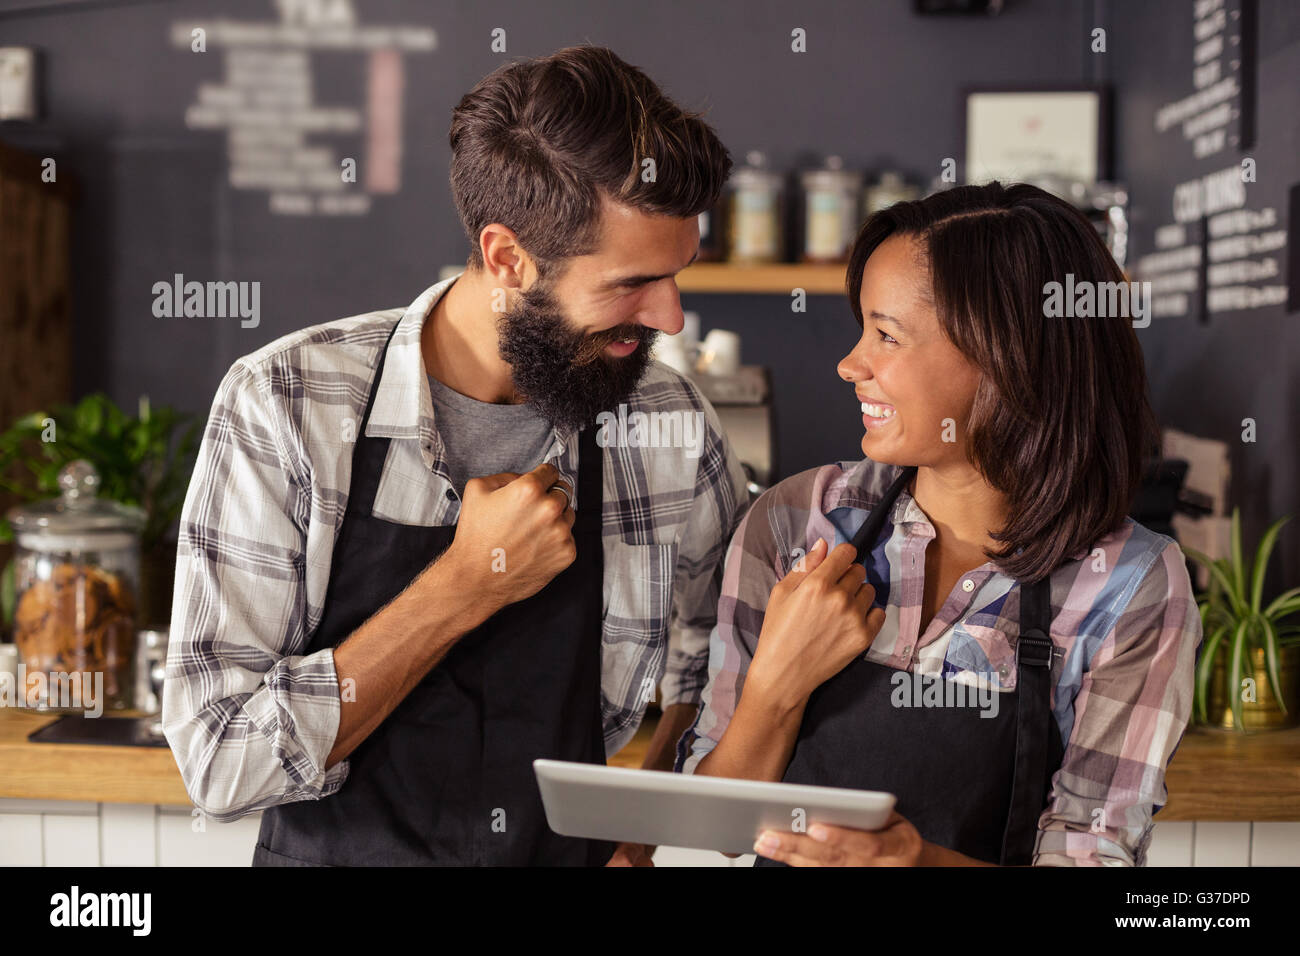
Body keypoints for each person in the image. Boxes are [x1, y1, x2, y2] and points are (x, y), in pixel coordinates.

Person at [163, 45, 749, 866]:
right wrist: (466, 584)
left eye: (679, 274)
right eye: (631, 283)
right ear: (508, 257)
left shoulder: (665, 421)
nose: (673, 317)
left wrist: (641, 831)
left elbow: (722, 651)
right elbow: (220, 764)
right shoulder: (287, 404)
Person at [676, 182, 1202, 867]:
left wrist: (911, 864)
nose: (849, 364)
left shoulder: (1129, 586)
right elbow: (708, 831)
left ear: (1008, 357)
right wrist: (776, 686)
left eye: (886, 335)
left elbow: (1090, 856)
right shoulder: (794, 520)